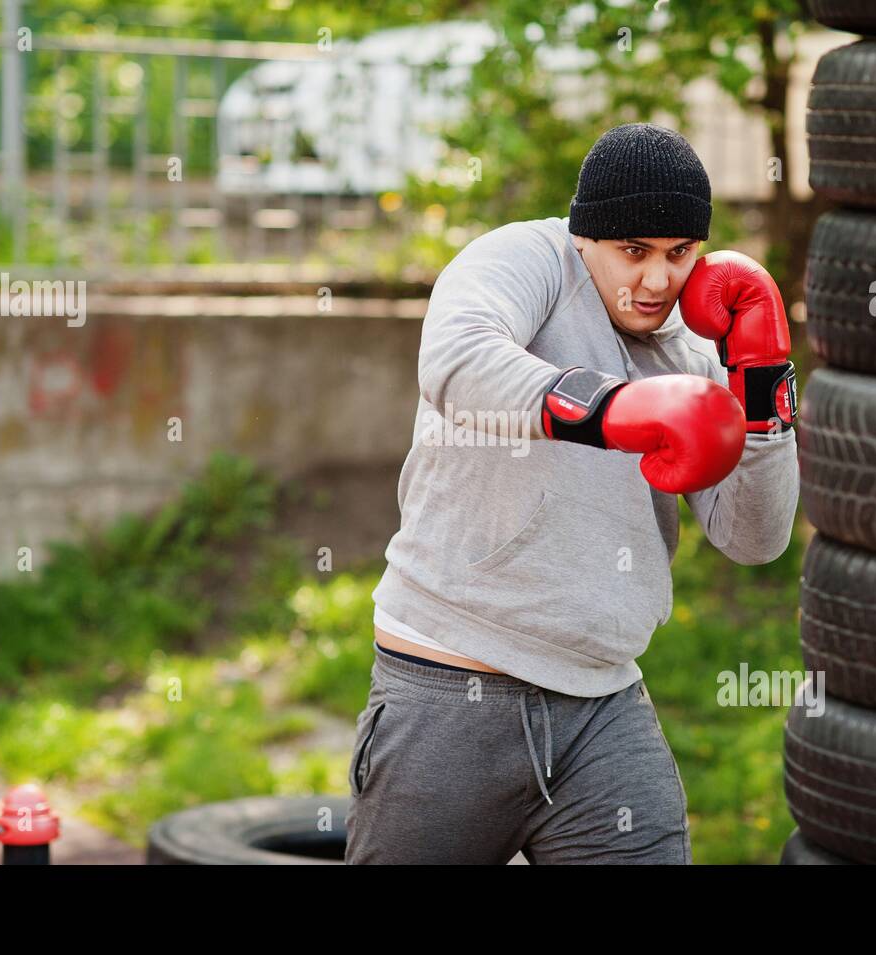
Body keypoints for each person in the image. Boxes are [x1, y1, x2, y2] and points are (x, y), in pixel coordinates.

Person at [346, 122, 799, 864]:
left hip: (602, 707)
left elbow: (755, 538)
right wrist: (611, 410)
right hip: (450, 687)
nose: (657, 281)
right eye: (634, 253)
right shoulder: (528, 259)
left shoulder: (690, 350)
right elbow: (456, 361)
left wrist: (763, 386)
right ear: (586, 236)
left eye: (679, 254)